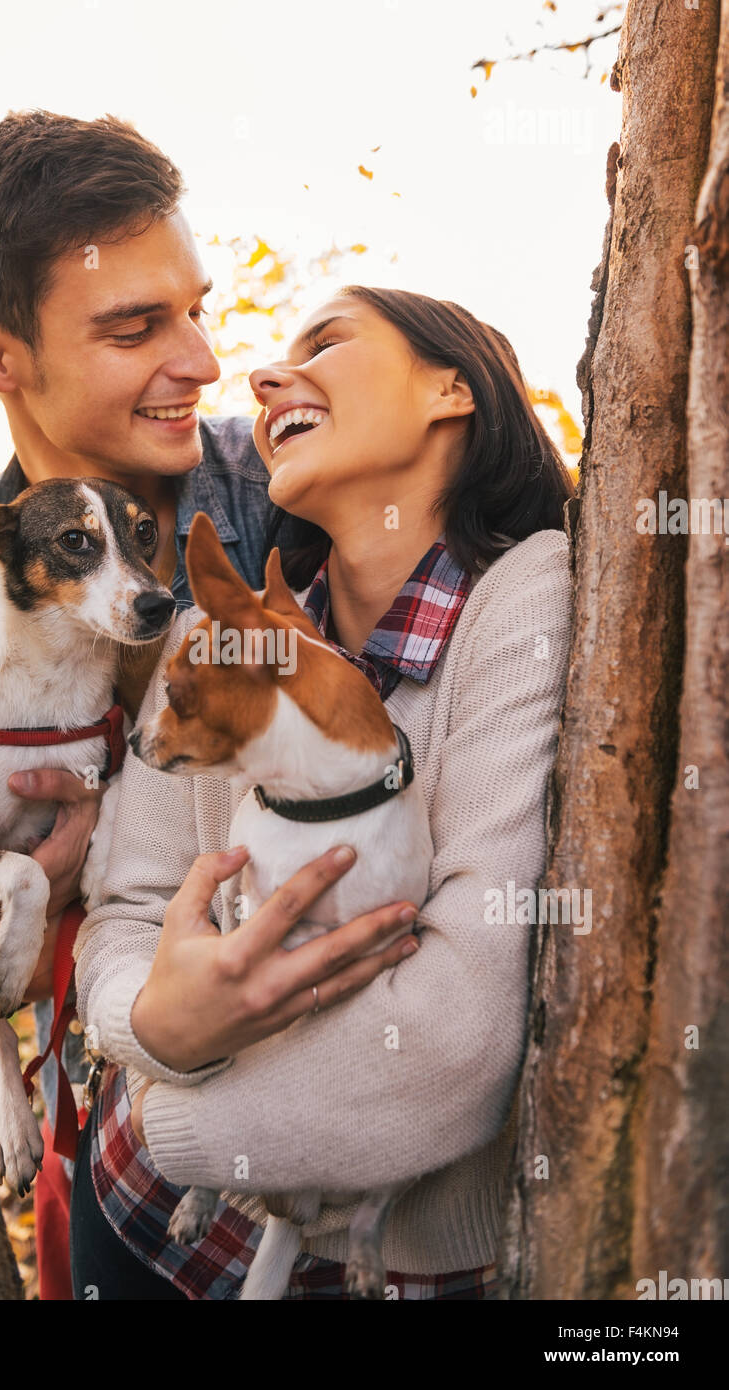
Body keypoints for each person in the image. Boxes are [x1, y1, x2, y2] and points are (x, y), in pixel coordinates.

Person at [0, 108, 358, 1297]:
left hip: (360, 1150)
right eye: (137, 326)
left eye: (193, 307)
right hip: (126, 1183)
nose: (199, 359)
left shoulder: (301, 495)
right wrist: (27, 883)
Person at [70, 285, 576, 1299]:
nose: (260, 376)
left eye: (327, 341)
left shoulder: (521, 603)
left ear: (452, 389)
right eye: (273, 360)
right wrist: (156, 1023)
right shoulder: (211, 638)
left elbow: (458, 1033)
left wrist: (168, 1113)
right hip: (130, 1215)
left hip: (376, 1264)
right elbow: (121, 911)